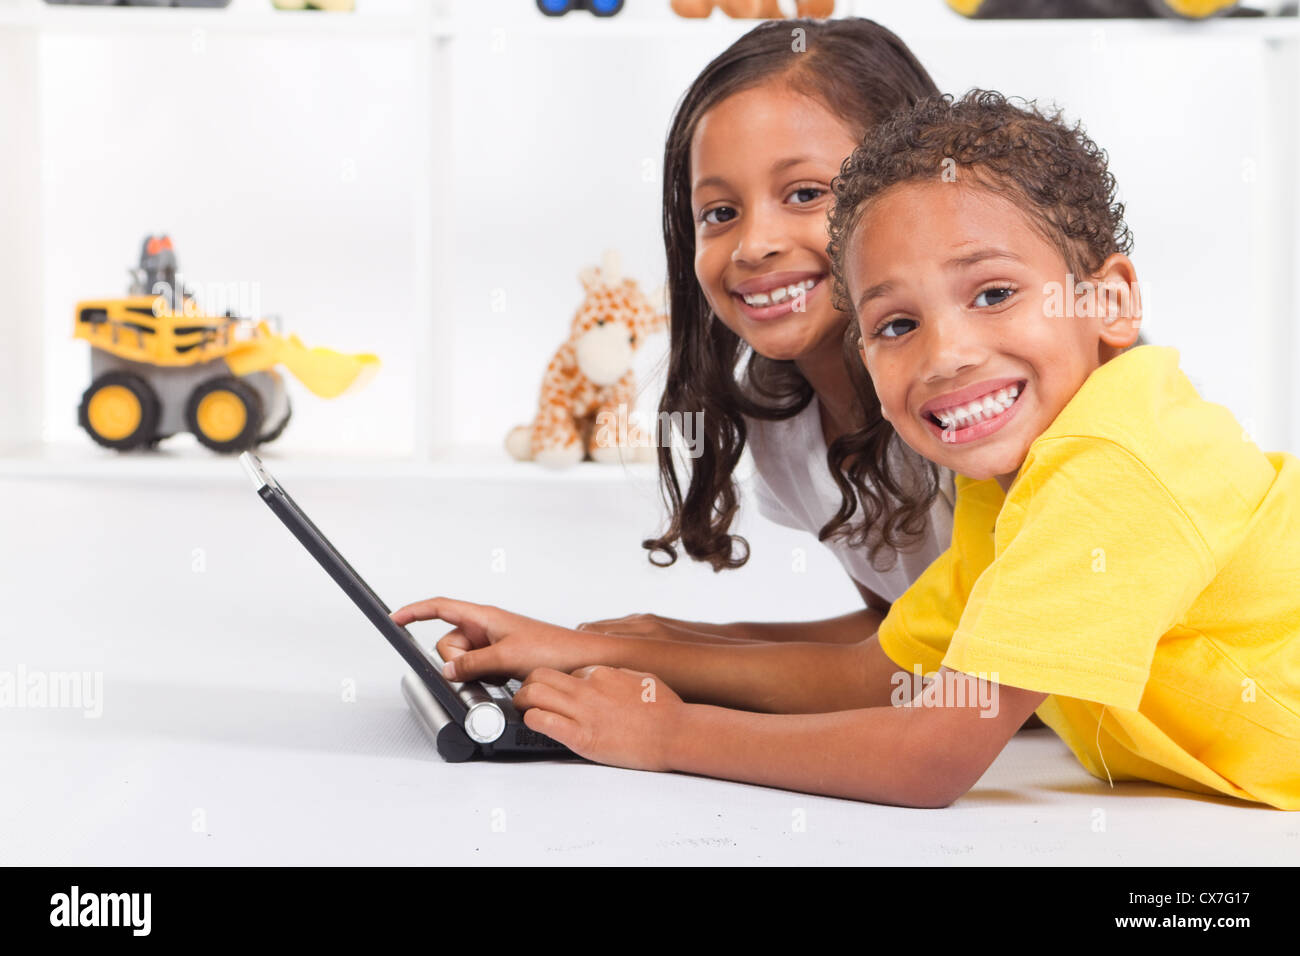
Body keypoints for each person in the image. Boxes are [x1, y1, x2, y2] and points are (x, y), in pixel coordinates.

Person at [393, 90, 1300, 810]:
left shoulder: (1112, 463)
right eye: (898, 323)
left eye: (991, 293)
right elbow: (889, 672)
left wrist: (671, 736)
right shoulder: (1015, 473)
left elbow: (933, 752)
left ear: (1109, 302)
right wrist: (600, 652)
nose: (945, 355)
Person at [573, 17, 954, 650]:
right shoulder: (780, 416)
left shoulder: (979, 398)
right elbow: (903, 641)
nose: (754, 246)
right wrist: (663, 642)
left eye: (805, 194)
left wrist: (661, 664)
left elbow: (984, 683)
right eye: (719, 213)